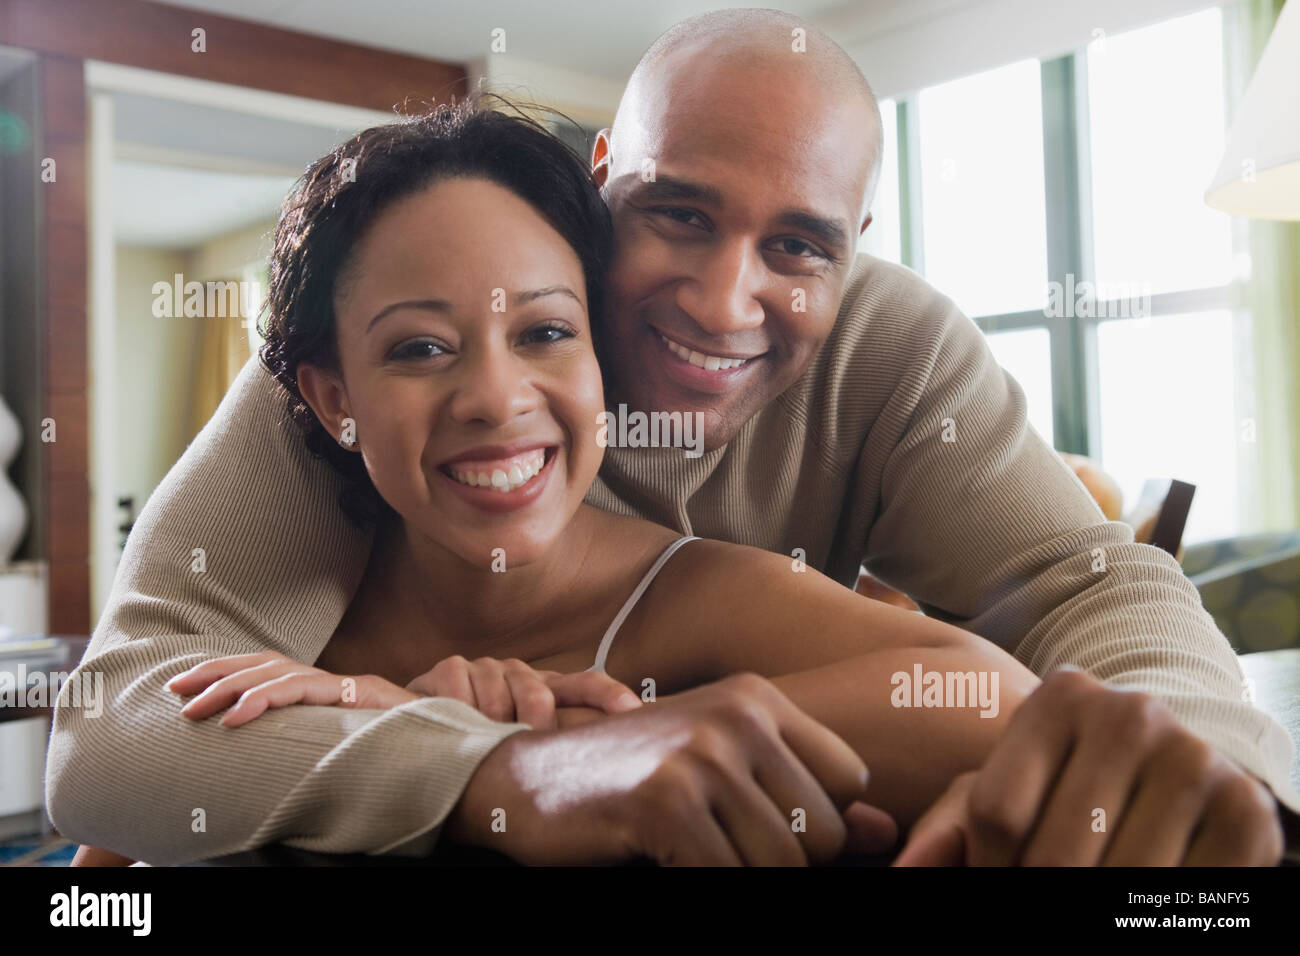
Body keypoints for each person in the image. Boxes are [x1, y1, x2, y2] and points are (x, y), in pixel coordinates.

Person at [50, 8, 1293, 867]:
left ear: (855, 244)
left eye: (797, 245)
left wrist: (1193, 790)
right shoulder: (408, 334)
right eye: (678, 213)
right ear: (602, 181)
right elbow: (115, 735)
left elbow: (1084, 583)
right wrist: (495, 766)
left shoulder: (890, 353)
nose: (720, 299)